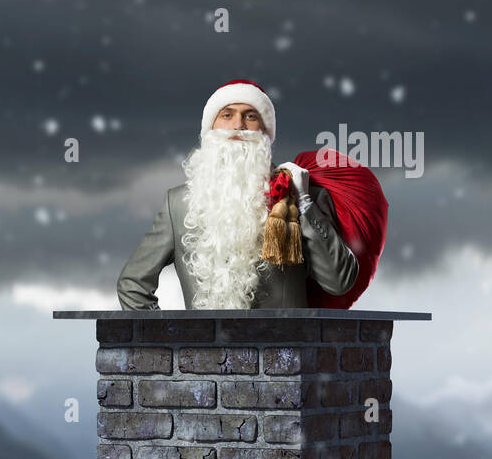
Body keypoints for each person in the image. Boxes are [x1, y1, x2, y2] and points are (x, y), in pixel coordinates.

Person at [116, 80, 358, 310]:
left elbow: (339, 282)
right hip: (206, 353)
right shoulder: (177, 204)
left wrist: (305, 203)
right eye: (227, 115)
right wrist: (168, 339)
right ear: (211, 128)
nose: (238, 126)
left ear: (266, 131)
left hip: (283, 350)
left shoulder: (304, 196)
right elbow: (132, 284)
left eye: (250, 116)